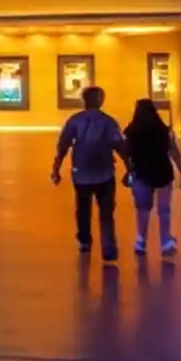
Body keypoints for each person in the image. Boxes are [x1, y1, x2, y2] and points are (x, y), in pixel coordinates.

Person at [52, 86, 128, 262]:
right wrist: (129, 165)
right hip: (104, 172)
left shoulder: (75, 120)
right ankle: (108, 246)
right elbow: (119, 145)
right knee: (106, 211)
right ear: (101, 101)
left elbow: (63, 145)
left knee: (83, 207)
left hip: (82, 172)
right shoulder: (108, 122)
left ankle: (85, 240)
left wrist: (56, 167)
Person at [123, 99, 181, 257]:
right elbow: (175, 153)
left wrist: (129, 169)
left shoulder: (131, 131)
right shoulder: (163, 131)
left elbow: (125, 152)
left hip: (141, 173)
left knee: (143, 209)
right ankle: (165, 241)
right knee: (164, 209)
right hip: (162, 172)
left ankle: (140, 240)